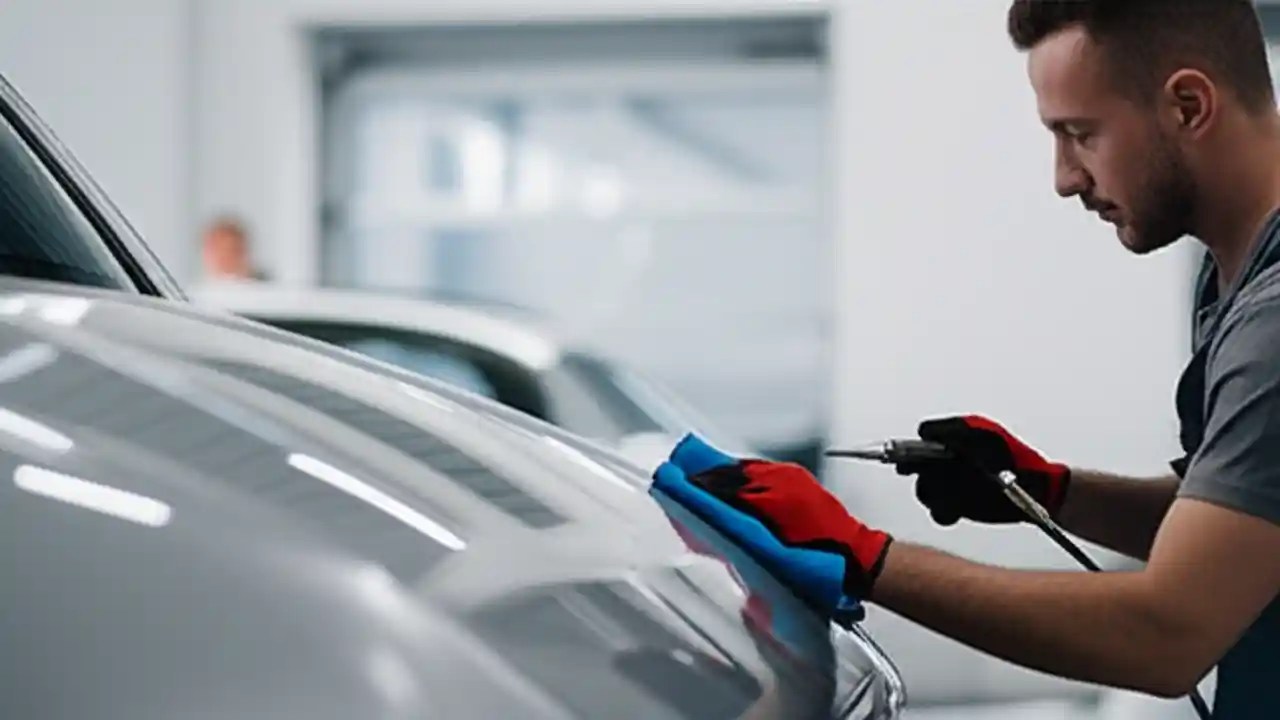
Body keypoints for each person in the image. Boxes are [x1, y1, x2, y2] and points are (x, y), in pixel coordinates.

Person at [653, 1, 1280, 716]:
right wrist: (1049, 489)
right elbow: (1240, 527)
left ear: (1189, 105)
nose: (1065, 178)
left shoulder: (1274, 319)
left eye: (1081, 134)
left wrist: (861, 554)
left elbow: (1166, 634)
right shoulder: (1237, 277)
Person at [199, 214, 269, 282]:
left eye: (232, 250)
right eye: (218, 250)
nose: (226, 257)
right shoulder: (195, 289)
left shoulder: (266, 288)